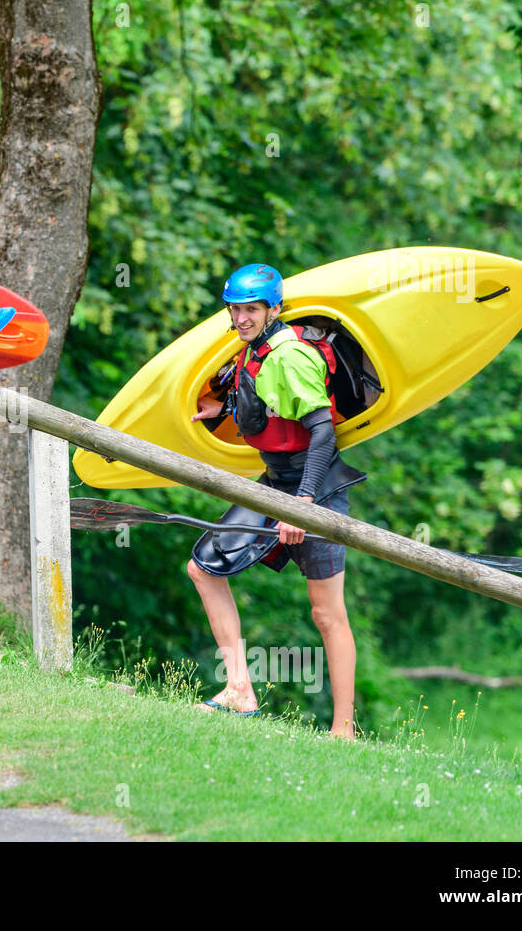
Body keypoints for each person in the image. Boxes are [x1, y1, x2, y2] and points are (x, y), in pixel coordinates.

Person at [186, 263, 365, 740]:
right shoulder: (253, 351)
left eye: (252, 310)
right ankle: (240, 689)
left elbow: (322, 432)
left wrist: (301, 505)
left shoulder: (291, 354)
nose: (242, 318)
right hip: (275, 482)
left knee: (326, 613)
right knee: (204, 567)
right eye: (236, 309)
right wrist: (220, 408)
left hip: (315, 487)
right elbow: (268, 404)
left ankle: (343, 730)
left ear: (274, 310)